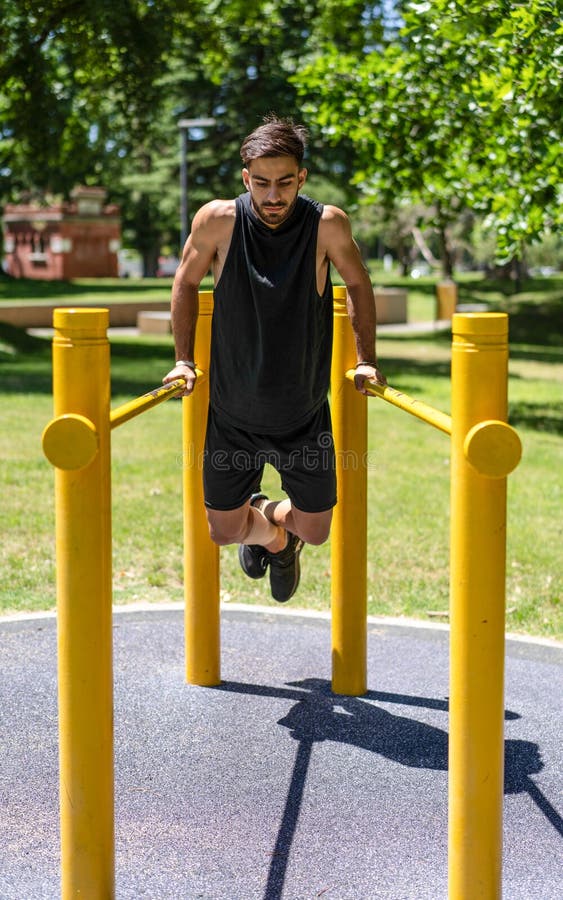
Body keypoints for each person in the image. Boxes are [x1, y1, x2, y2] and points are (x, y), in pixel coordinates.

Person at [163, 115, 386, 603]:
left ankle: (283, 530)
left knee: (318, 528)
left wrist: (366, 358)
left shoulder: (326, 224)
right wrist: (183, 359)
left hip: (302, 416)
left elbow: (359, 283)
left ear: (301, 178)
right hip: (232, 414)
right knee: (223, 531)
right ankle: (275, 538)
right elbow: (184, 281)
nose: (272, 196)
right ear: (246, 178)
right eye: (261, 183)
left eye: (285, 183)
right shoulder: (218, 221)